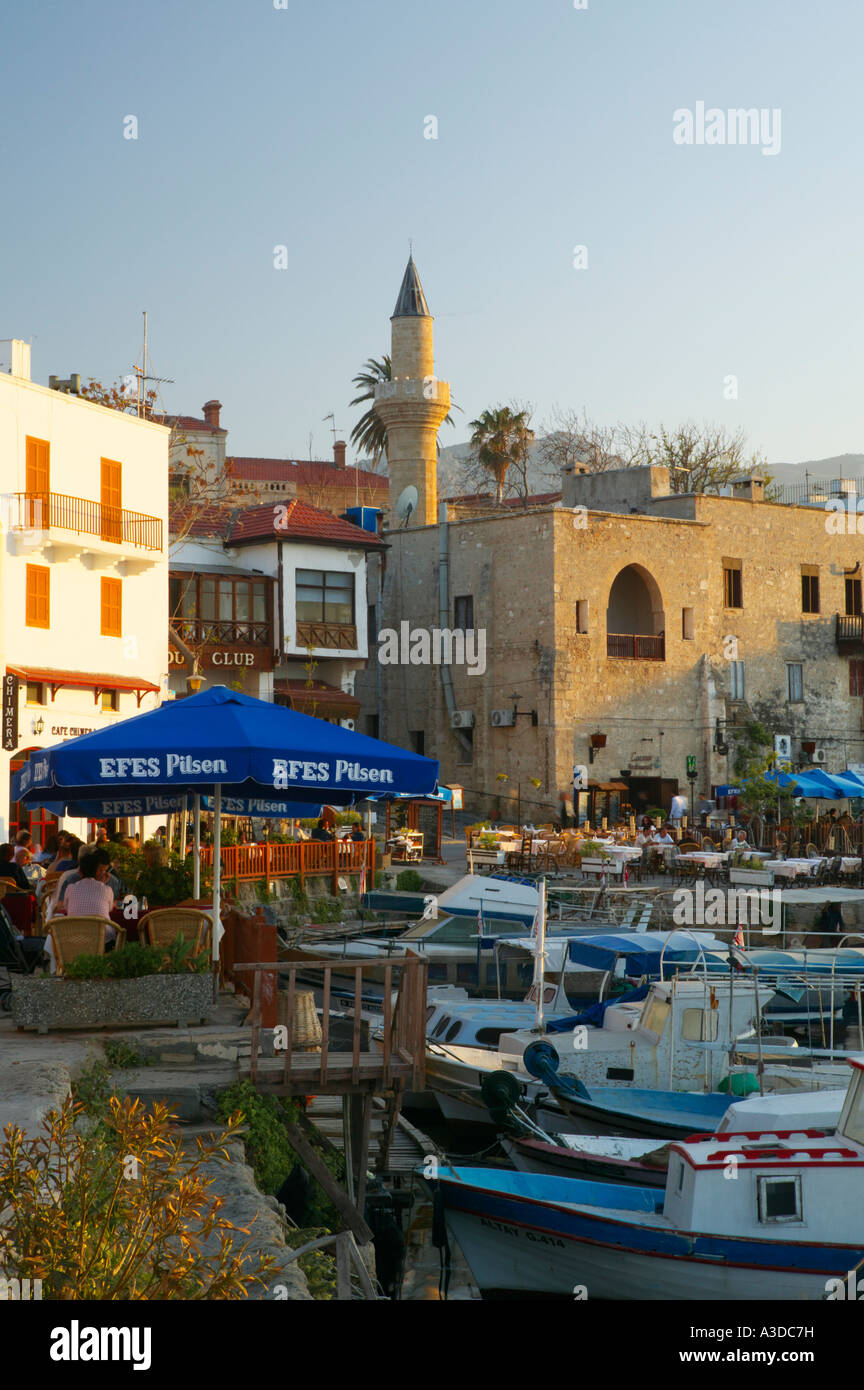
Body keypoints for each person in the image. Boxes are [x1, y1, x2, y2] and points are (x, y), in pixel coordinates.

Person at [54, 851, 116, 919]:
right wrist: (103, 885)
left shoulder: (70, 888)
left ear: (79, 871)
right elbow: (109, 909)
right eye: (101, 870)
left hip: (73, 928)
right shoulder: (107, 889)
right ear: (97, 871)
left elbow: (65, 907)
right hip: (100, 928)